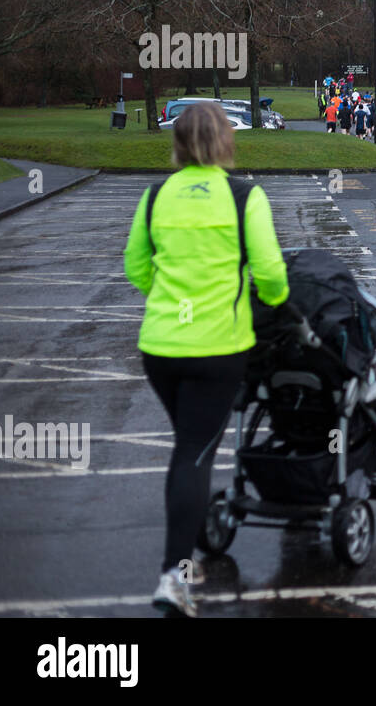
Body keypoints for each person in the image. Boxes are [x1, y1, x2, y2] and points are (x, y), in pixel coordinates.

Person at [123, 102, 290, 617]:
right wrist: (264, 300)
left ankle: (195, 532)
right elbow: (272, 275)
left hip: (162, 348)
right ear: (225, 141)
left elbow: (137, 269)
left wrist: (177, 297)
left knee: (189, 448)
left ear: (176, 143)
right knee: (194, 452)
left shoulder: (156, 194)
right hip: (217, 347)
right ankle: (175, 574)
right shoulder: (244, 195)